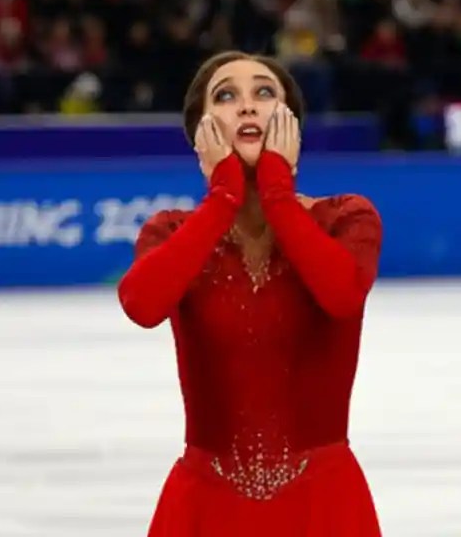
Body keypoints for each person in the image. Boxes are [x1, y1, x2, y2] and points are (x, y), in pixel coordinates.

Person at [118, 51, 384, 536]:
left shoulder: (346, 218)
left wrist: (278, 193)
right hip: (204, 507)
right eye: (226, 96)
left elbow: (342, 295)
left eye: (264, 93)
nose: (247, 107)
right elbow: (142, 304)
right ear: (201, 132)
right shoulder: (171, 232)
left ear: (292, 126)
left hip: (322, 505)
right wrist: (223, 197)